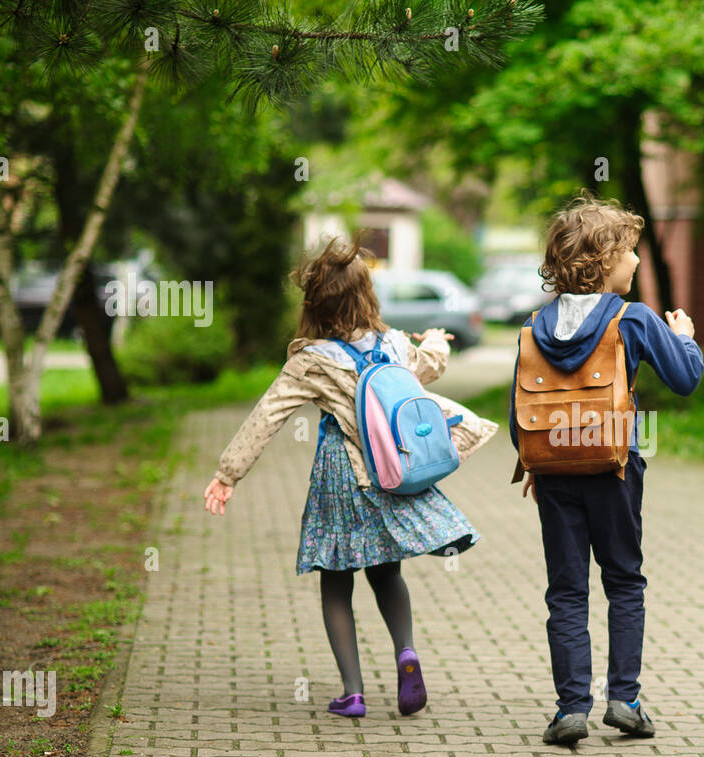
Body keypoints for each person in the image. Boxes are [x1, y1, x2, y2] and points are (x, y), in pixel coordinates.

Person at [203, 237, 497, 719]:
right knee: (387, 570)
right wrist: (438, 342)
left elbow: (267, 416)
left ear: (314, 304)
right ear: (368, 298)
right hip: (388, 471)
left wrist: (227, 474)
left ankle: (354, 693)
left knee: (336, 580)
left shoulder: (311, 360)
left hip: (341, 475)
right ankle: (406, 652)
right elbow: (430, 369)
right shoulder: (395, 343)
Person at [512, 193, 704, 746]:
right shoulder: (635, 318)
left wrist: (531, 459)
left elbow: (519, 399)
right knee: (623, 579)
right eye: (630, 252)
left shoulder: (535, 324)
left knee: (567, 589)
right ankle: (624, 699)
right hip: (615, 466)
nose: (639, 261)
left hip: (553, 470)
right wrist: (685, 338)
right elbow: (686, 379)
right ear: (604, 260)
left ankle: (571, 708)